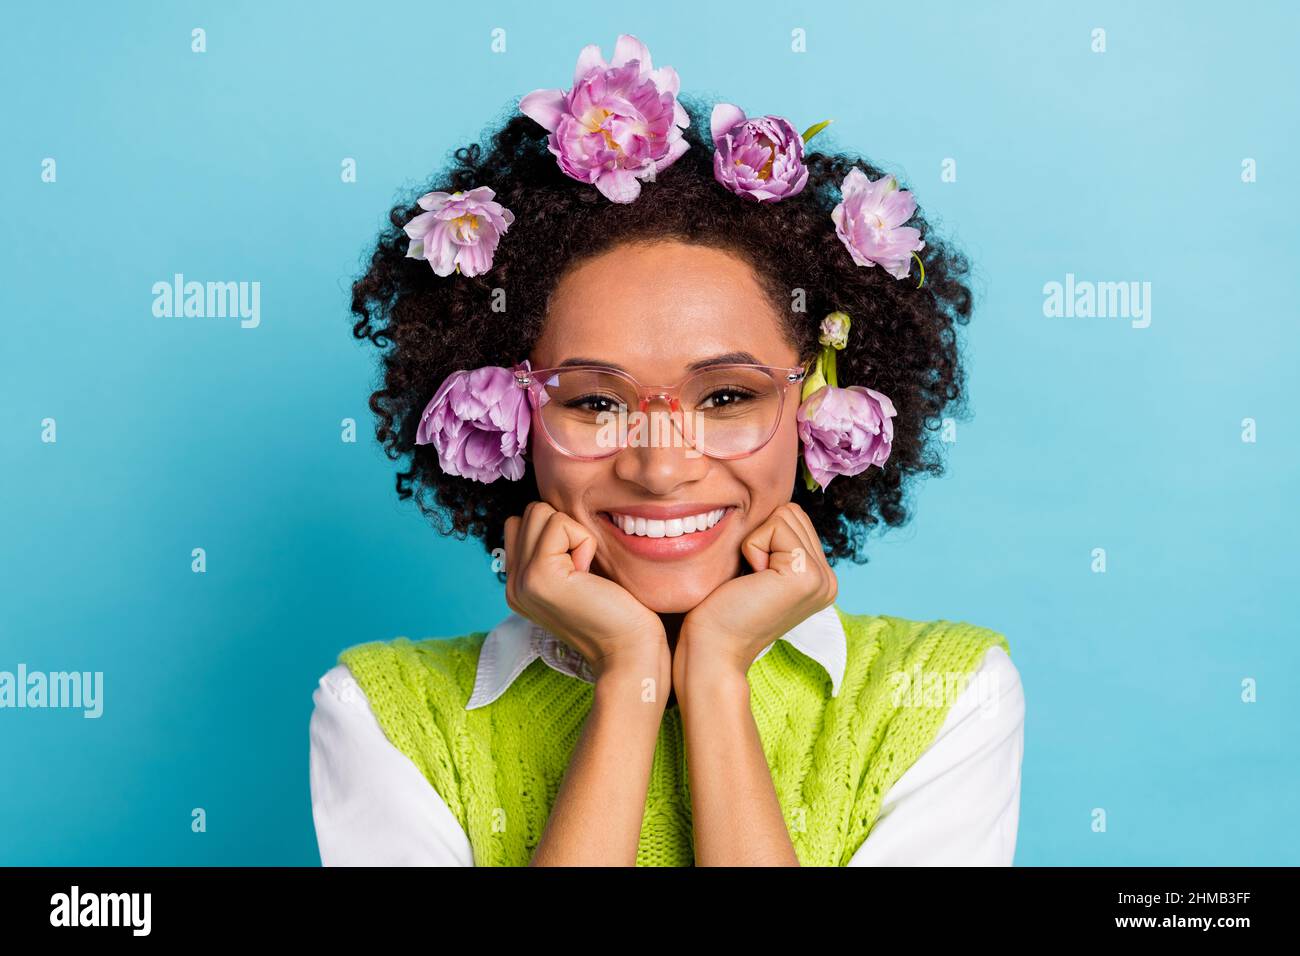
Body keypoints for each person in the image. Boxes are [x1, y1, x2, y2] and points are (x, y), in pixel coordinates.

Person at [310, 33, 1024, 866]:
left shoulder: (944, 697)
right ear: (511, 418)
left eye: (726, 397)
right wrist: (629, 679)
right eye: (593, 402)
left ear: (818, 405)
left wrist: (715, 678)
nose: (659, 466)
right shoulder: (383, 714)